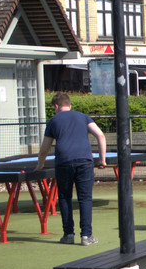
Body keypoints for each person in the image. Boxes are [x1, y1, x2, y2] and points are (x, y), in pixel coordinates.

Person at [37, 93, 108, 246]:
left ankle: (68, 235)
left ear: (56, 106)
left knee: (64, 197)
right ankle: (86, 236)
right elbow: (100, 136)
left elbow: (44, 149)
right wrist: (102, 159)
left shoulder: (53, 121)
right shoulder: (83, 117)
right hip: (85, 161)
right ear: (69, 105)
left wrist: (40, 166)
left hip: (63, 162)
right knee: (85, 198)